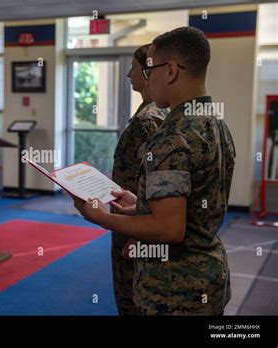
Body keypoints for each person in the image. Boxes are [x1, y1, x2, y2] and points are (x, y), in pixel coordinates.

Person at [72, 26, 235, 315]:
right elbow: (192, 208)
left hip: (174, 290)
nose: (148, 77)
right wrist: (140, 205)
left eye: (150, 69)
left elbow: (168, 228)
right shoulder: (215, 123)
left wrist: (100, 217)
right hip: (209, 276)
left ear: (170, 71)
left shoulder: (173, 135)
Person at [111, 44, 168, 315]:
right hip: (135, 215)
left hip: (137, 223)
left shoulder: (149, 120)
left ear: (147, 72)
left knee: (132, 299)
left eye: (132, 68)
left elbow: (158, 180)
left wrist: (142, 238)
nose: (127, 75)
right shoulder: (151, 113)